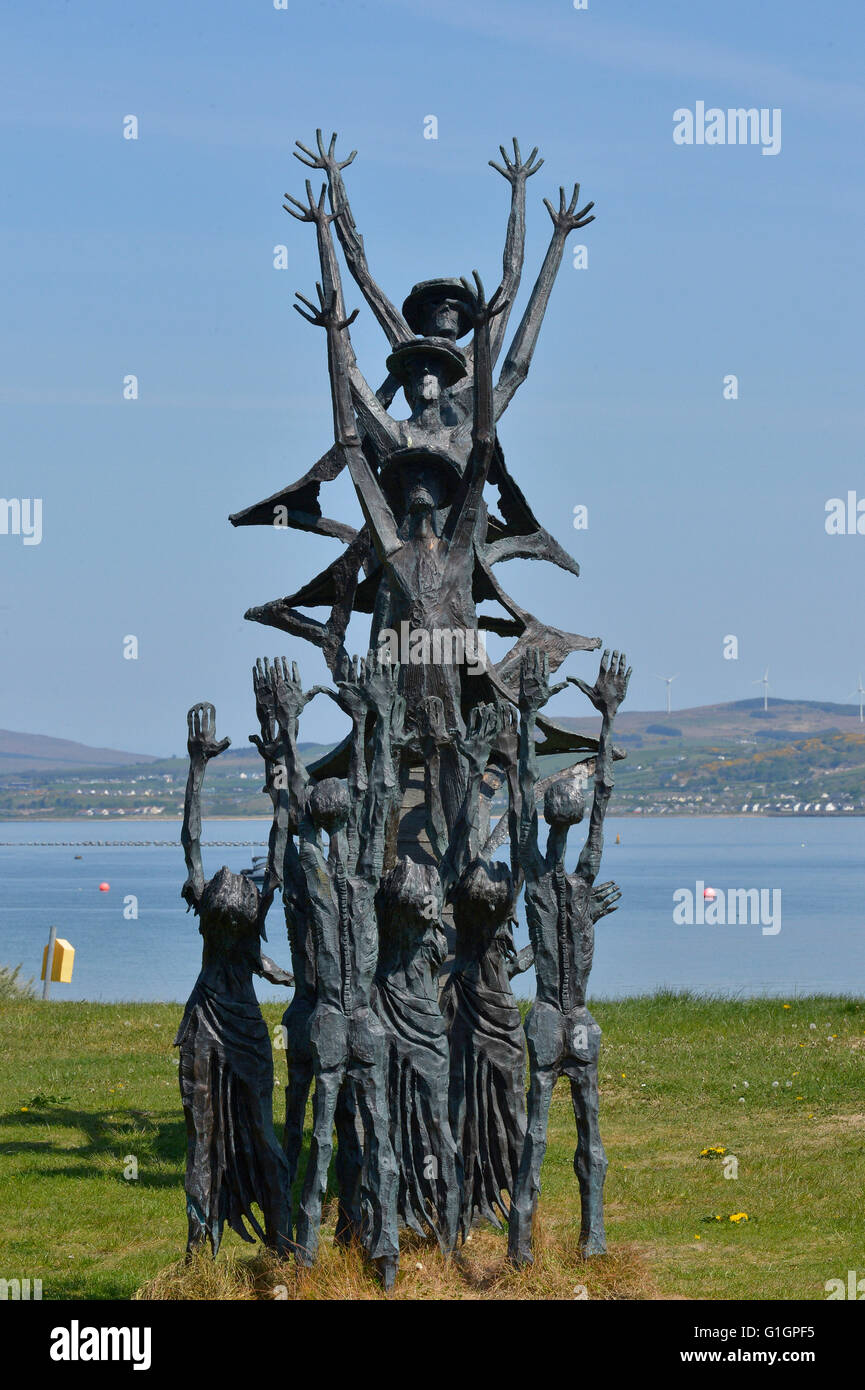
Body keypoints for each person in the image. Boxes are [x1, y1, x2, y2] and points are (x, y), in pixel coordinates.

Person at [507, 647, 629, 1265]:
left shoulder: (566, 883)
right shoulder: (571, 882)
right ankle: (536, 1252)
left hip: (565, 1017)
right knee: (549, 1135)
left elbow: (582, 803)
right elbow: (571, 804)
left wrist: (600, 723)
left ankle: (582, 1243)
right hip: (561, 1015)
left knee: (566, 1135)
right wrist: (597, 722)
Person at [290, 655, 404, 1290]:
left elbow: (342, 805)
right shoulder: (356, 881)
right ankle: (372, 1260)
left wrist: (361, 724)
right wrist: (369, 725)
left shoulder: (327, 876)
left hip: (344, 1017)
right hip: (357, 1017)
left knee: (333, 1141)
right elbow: (373, 798)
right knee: (370, 1136)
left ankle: (319, 1260)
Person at [176, 701, 293, 1258]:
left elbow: (192, 843)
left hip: (221, 1021)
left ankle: (230, 1249)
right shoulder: (252, 905)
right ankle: (260, 1244)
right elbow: (278, 841)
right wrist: (278, 767)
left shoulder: (216, 901)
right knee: (217, 1139)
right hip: (229, 1022)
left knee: (215, 1140)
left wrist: (198, 768)